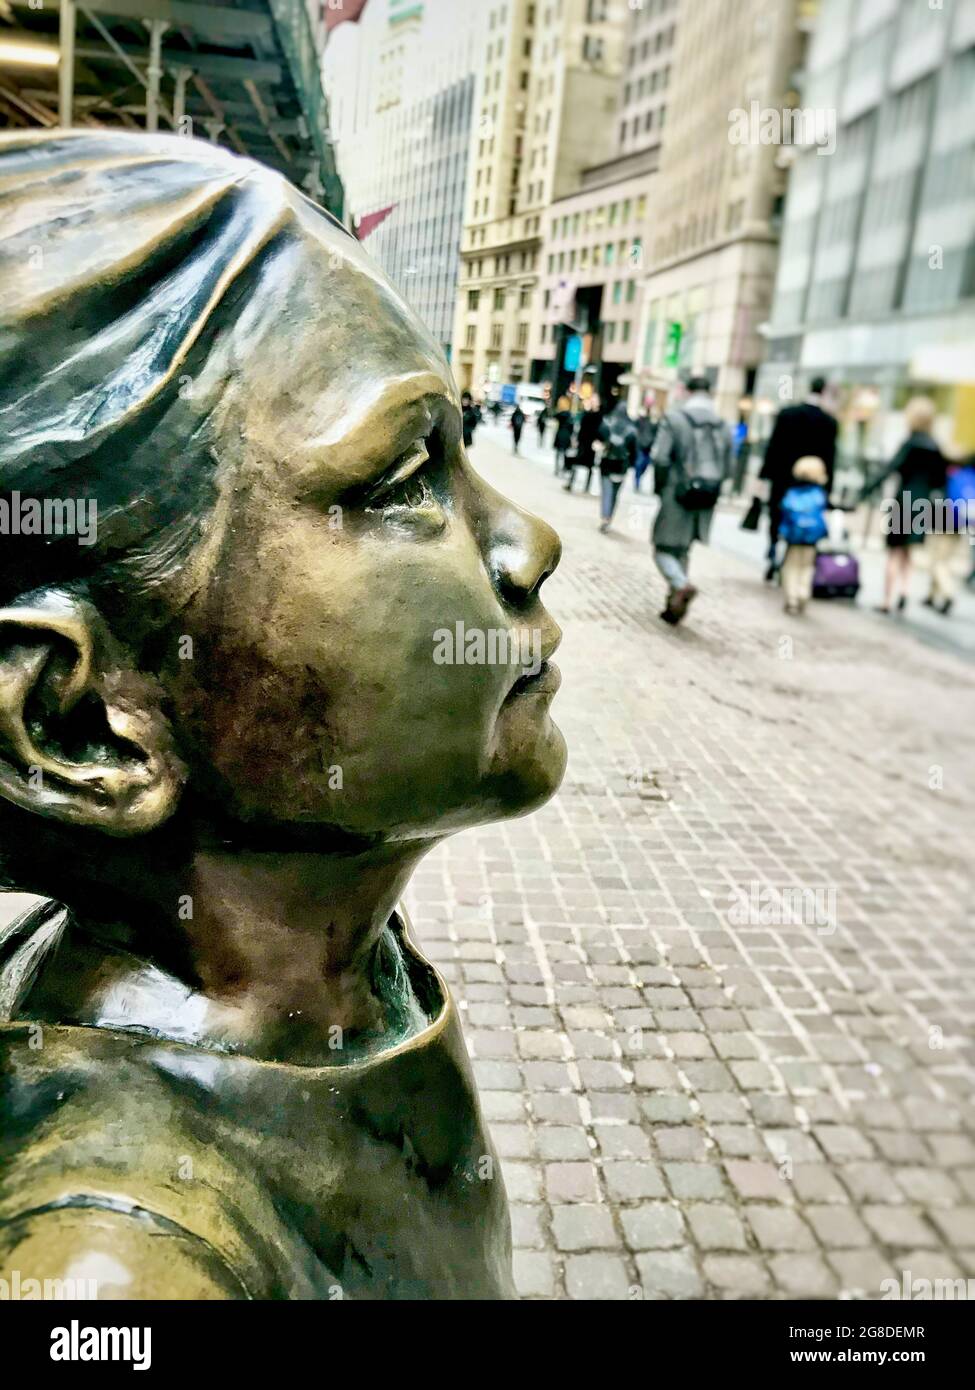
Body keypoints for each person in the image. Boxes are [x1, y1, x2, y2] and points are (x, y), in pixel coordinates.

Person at [0, 130, 570, 1301]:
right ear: (82, 726)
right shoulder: (116, 1277)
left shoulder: (335, 980)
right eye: (404, 482)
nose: (528, 544)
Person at [649, 374, 733, 624]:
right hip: (706, 496)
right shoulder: (722, 425)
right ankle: (674, 606)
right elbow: (729, 468)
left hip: (677, 492)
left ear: (686, 392)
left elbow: (661, 458)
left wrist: (661, 488)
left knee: (662, 548)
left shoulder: (675, 419)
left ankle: (680, 585)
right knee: (683, 549)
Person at [860, 396, 946, 614]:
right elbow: (940, 480)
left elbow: (890, 468)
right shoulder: (935, 447)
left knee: (894, 552)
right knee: (908, 553)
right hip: (922, 503)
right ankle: (904, 592)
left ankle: (887, 600)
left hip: (904, 500)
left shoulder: (910, 443)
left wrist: (867, 488)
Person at [760, 376, 837, 581]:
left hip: (783, 478)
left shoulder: (787, 414)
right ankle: (788, 562)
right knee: (802, 520)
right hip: (811, 482)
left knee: (776, 516)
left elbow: (773, 447)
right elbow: (831, 459)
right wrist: (828, 488)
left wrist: (764, 474)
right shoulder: (829, 422)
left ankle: (773, 551)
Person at [778, 456, 830, 616]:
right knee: (807, 567)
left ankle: (791, 597)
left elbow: (785, 511)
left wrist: (782, 531)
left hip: (793, 537)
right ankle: (803, 593)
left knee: (791, 566)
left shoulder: (792, 493)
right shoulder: (819, 495)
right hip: (811, 539)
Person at [925, 452, 975, 615]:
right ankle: (931, 595)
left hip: (943, 521)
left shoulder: (956, 475)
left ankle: (948, 593)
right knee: (942, 558)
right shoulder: (971, 479)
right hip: (960, 525)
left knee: (938, 560)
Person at [596, 399, 637, 532]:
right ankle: (609, 518)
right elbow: (634, 450)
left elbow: (599, 438)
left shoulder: (607, 423)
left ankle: (604, 517)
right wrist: (631, 464)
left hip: (607, 462)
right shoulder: (631, 429)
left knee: (606, 491)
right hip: (621, 466)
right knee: (615, 493)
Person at [564, 398, 602, 494]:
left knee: (589, 466)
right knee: (576, 464)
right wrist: (576, 440)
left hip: (591, 445)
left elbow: (600, 431)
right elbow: (581, 428)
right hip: (583, 443)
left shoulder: (599, 416)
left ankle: (586, 487)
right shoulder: (587, 414)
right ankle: (571, 483)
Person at [633, 410, 657, 491]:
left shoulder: (655, 423)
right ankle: (637, 482)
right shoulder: (641, 420)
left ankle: (638, 479)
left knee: (645, 466)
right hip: (641, 446)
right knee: (639, 465)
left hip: (649, 448)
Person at [553, 397, 575, 476]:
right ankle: (564, 468)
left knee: (558, 453)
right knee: (566, 454)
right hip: (567, 436)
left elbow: (553, 416)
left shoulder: (560, 414)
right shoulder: (570, 415)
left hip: (560, 434)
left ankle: (557, 469)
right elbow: (572, 428)